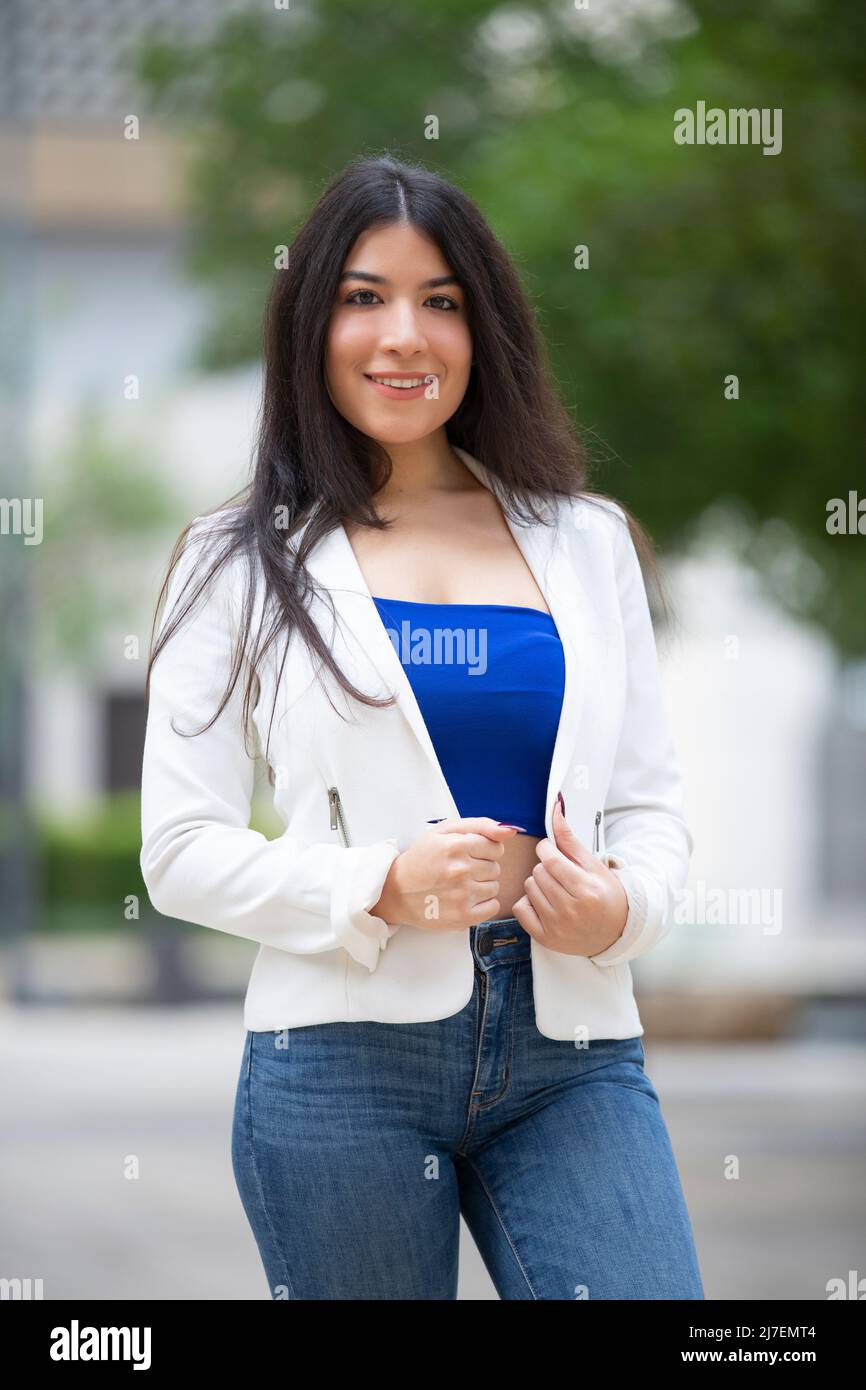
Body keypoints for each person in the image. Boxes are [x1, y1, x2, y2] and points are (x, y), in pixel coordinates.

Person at [140, 153, 705, 1301]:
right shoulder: (236, 560)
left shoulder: (585, 540)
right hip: (340, 1062)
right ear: (311, 324)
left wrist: (620, 908)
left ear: (480, 328)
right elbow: (178, 850)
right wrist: (376, 886)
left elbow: (646, 802)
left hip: (575, 1055)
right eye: (363, 296)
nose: (404, 334)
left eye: (439, 300)